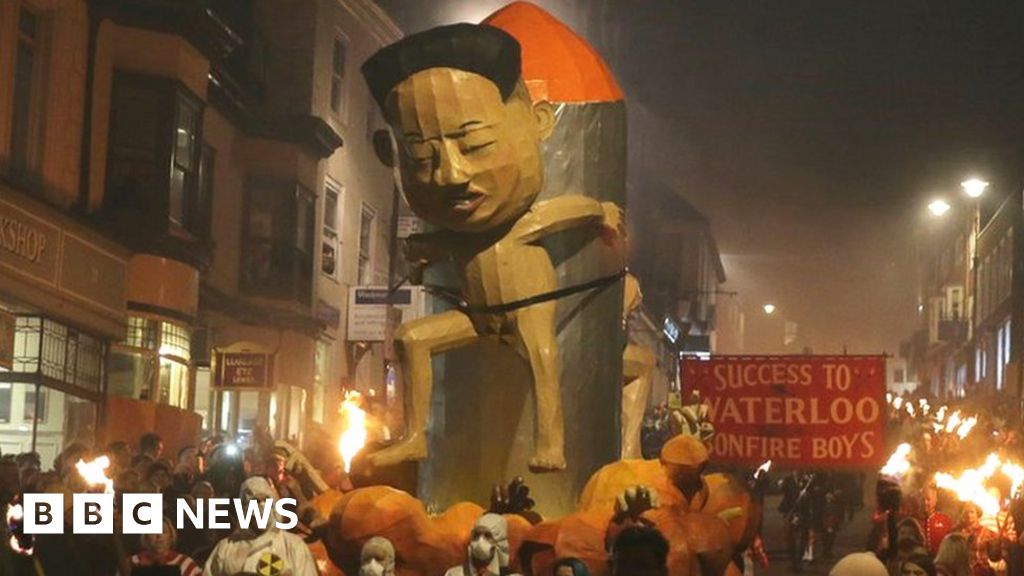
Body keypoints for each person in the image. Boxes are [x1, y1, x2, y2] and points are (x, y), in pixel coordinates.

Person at [361, 22, 624, 472]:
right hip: (477, 316)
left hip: (528, 306)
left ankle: (550, 441)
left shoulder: (522, 226)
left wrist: (600, 211)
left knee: (542, 354)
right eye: (422, 158)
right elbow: (441, 245)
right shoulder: (465, 237)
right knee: (411, 337)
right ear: (393, 153)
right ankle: (414, 437)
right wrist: (423, 249)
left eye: (476, 144)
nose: (450, 175)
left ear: (539, 122)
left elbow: (566, 211)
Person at [203, 477, 315, 576]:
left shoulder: (293, 545)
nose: (260, 507)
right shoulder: (226, 548)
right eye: (253, 502)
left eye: (264, 500)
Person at [444, 513, 520, 576]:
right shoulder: (454, 574)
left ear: (500, 542)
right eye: (476, 535)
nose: (480, 541)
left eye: (487, 536)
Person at [128, 516, 202, 576]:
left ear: (171, 536)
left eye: (164, 531)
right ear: (146, 537)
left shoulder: (184, 563)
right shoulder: (133, 562)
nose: (159, 535)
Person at [917, 485, 954, 556]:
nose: (925, 503)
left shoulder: (945, 520)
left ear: (935, 500)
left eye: (928, 499)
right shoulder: (914, 520)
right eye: (923, 499)